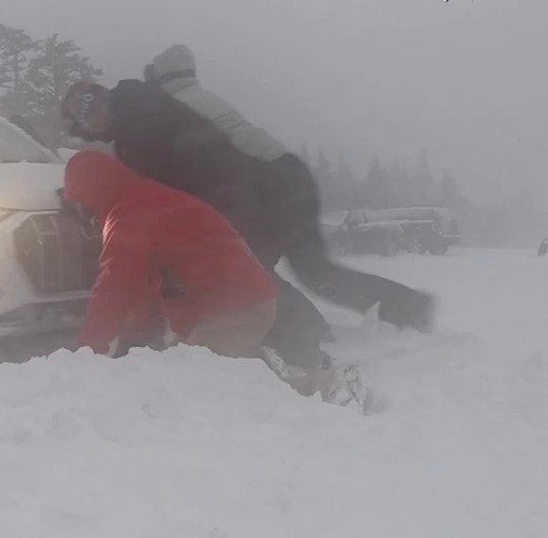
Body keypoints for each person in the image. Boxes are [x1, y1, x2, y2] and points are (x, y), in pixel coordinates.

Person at [61, 77, 433, 371]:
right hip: (259, 188)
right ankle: (334, 330)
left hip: (257, 191)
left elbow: (209, 159)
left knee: (264, 272)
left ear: (103, 91)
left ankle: (313, 341)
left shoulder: (139, 121)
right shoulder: (138, 117)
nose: (93, 109)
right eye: (83, 111)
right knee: (301, 270)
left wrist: (234, 215)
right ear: (84, 128)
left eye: (92, 97)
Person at [144, 45, 435, 333]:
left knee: (254, 270)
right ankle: (407, 308)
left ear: (161, 78)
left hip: (272, 187)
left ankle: (304, 334)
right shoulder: (203, 99)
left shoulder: (179, 108)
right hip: (289, 176)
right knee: (312, 270)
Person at [64, 150, 277, 359]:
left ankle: (297, 389)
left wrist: (87, 349)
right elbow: (144, 285)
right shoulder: (142, 198)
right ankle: (292, 385)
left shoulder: (128, 217)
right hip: (236, 302)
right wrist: (140, 333)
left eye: (81, 206)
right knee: (176, 374)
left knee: (189, 384)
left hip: (232, 309)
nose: (85, 217)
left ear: (92, 193)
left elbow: (115, 286)